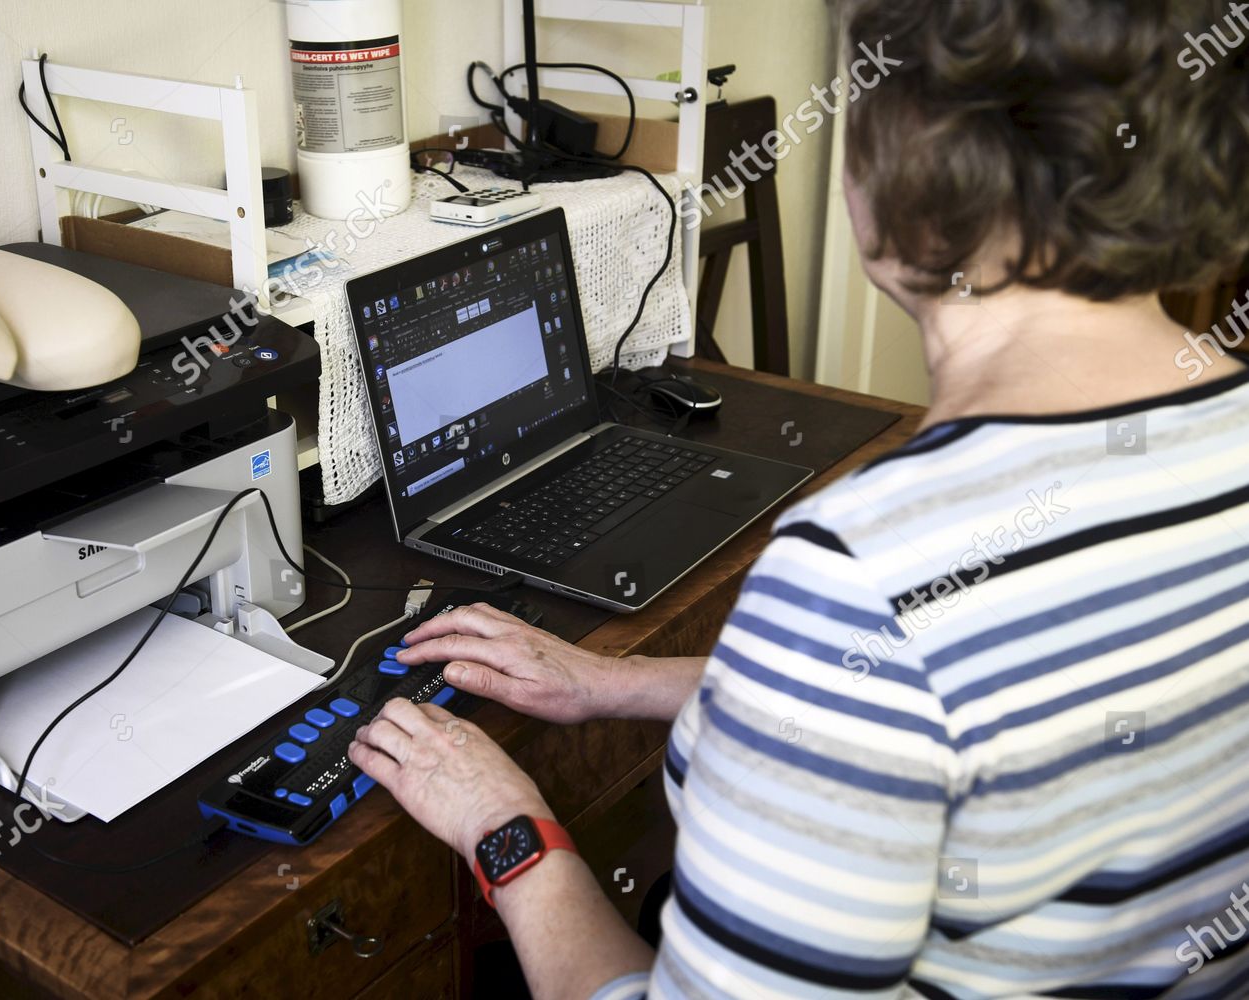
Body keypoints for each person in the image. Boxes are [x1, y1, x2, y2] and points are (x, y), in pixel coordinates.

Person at [347, 0, 1249, 995]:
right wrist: (615, 684)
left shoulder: (865, 572)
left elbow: (887, 681)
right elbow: (938, 716)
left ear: (908, 167)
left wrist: (505, 828)